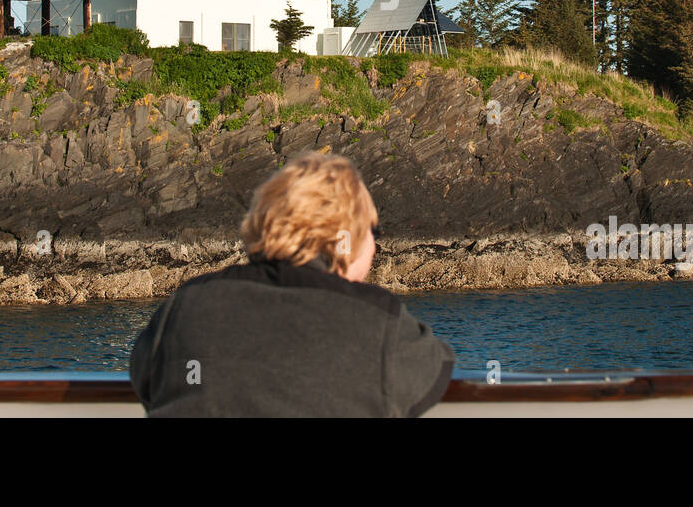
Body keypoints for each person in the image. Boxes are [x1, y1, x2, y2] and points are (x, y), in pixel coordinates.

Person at [130, 152, 454, 417]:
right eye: (374, 232)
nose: (376, 245)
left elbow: (146, 375)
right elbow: (437, 365)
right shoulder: (379, 324)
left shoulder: (185, 307)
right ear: (347, 238)